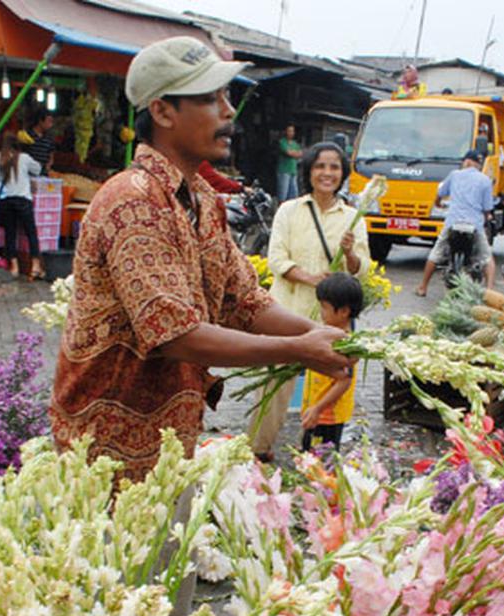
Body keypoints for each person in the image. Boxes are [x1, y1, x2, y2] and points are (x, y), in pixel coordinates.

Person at [51, 35, 352, 481]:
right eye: (211, 99)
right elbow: (175, 334)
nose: (229, 111)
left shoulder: (203, 201)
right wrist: (297, 349)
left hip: (170, 439)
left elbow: (244, 301)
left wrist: (323, 335)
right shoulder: (132, 200)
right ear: (163, 111)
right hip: (104, 451)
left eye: (225, 96)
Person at [255, 141, 369, 460]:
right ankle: (257, 451)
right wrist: (309, 279)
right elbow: (276, 258)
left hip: (330, 323)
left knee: (329, 387)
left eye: (334, 167)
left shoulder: (352, 217)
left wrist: (349, 254)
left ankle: (317, 456)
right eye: (320, 166)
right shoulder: (290, 210)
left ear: (343, 173)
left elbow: (362, 271)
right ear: (309, 171)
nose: (327, 173)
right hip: (287, 314)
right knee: (274, 388)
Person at [415, 150, 497, 297]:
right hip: (474, 225)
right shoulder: (485, 180)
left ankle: (423, 287)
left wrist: (438, 204)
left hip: (453, 222)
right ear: (478, 164)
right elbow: (487, 209)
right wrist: (486, 217)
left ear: (466, 162)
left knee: (436, 253)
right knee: (486, 257)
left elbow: (440, 194)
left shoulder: (454, 175)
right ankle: (489, 290)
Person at [301, 273, 363, 453]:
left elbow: (345, 381)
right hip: (315, 411)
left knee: (322, 462)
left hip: (328, 415)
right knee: (310, 455)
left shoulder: (346, 345)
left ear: (343, 311)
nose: (321, 312)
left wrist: (317, 408)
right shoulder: (327, 334)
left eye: (324, 307)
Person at [0, 132, 44, 280]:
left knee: (10, 234)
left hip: (6, 201)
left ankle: (14, 267)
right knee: (31, 232)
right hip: (23, 200)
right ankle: (35, 267)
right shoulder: (24, 158)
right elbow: (38, 169)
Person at [20, 111, 56, 175]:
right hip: (28, 174)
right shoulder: (27, 135)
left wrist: (48, 165)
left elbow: (51, 157)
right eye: (49, 121)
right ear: (40, 121)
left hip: (43, 175)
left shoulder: (49, 138)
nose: (51, 125)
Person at [276, 123, 303, 202]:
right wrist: (294, 153)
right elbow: (289, 153)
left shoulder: (295, 143)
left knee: (294, 195)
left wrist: (293, 153)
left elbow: (300, 154)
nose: (291, 133)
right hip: (284, 171)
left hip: (293, 171)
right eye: (289, 131)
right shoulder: (282, 142)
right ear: (285, 132)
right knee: (282, 195)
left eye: (292, 131)